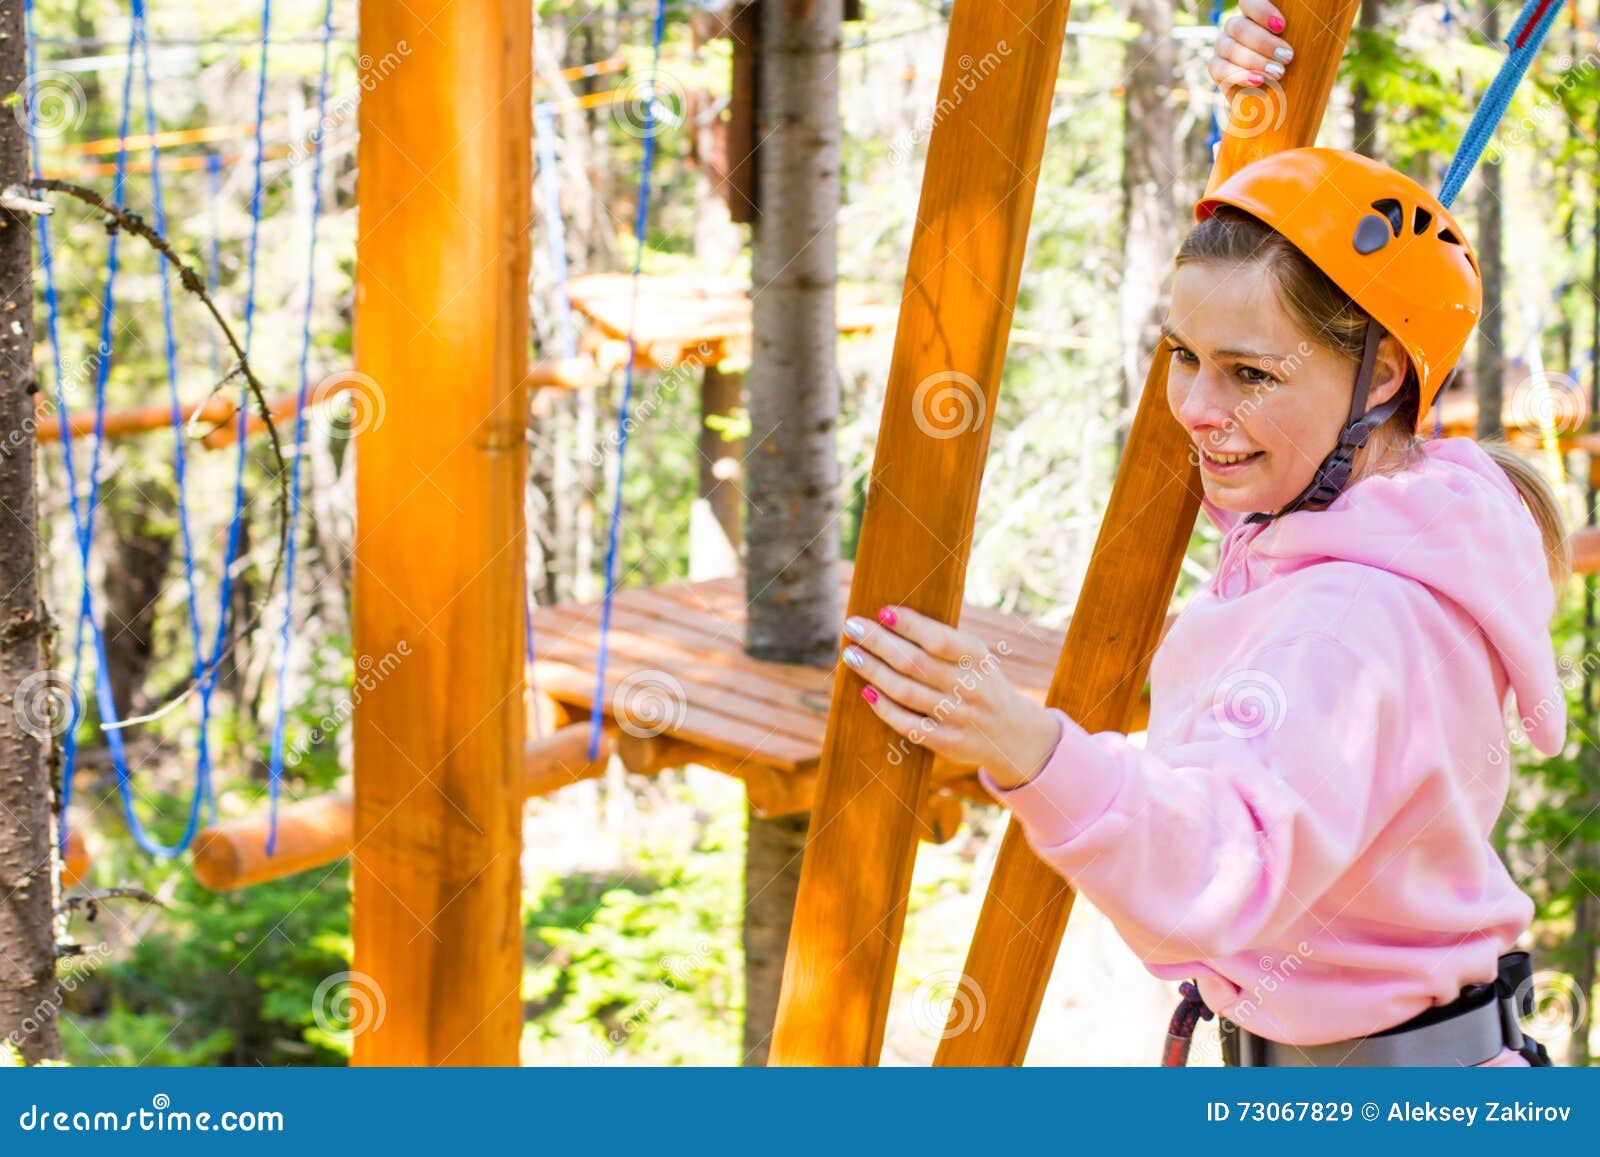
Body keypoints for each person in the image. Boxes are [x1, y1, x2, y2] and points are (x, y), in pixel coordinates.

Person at [836, 104, 1570, 1065]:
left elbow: (1225, 866)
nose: (1194, 408)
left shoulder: (1349, 618)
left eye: (1248, 373)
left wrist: (1023, 745)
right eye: (1183, 355)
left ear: (1381, 374)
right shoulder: (1396, 519)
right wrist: (1255, 118)